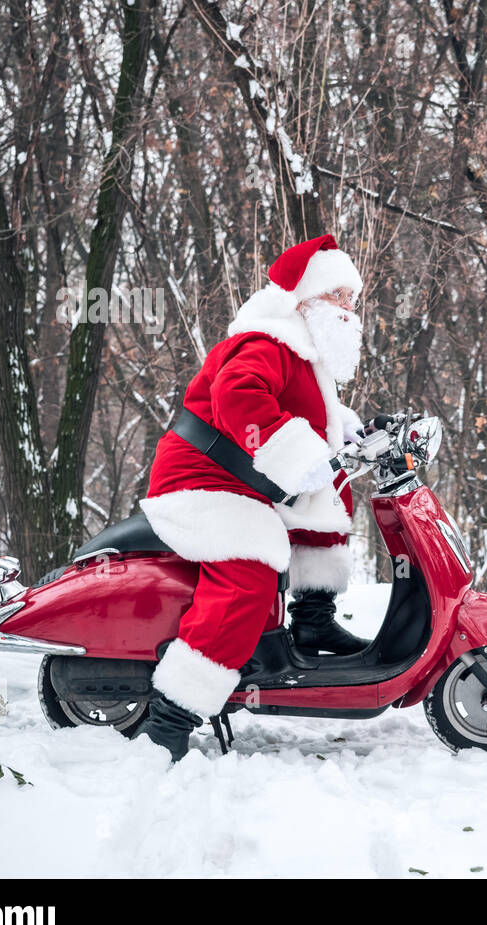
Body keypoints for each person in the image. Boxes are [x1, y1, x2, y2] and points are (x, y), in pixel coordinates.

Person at [133, 234, 367, 761]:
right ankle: (170, 717)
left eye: (352, 299)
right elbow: (237, 396)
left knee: (331, 500)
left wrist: (350, 433)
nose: (349, 311)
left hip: (246, 479)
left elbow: (308, 416)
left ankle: (312, 621)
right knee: (248, 577)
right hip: (204, 480)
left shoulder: (305, 353)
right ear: (304, 299)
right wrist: (288, 448)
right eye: (338, 298)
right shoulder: (266, 340)